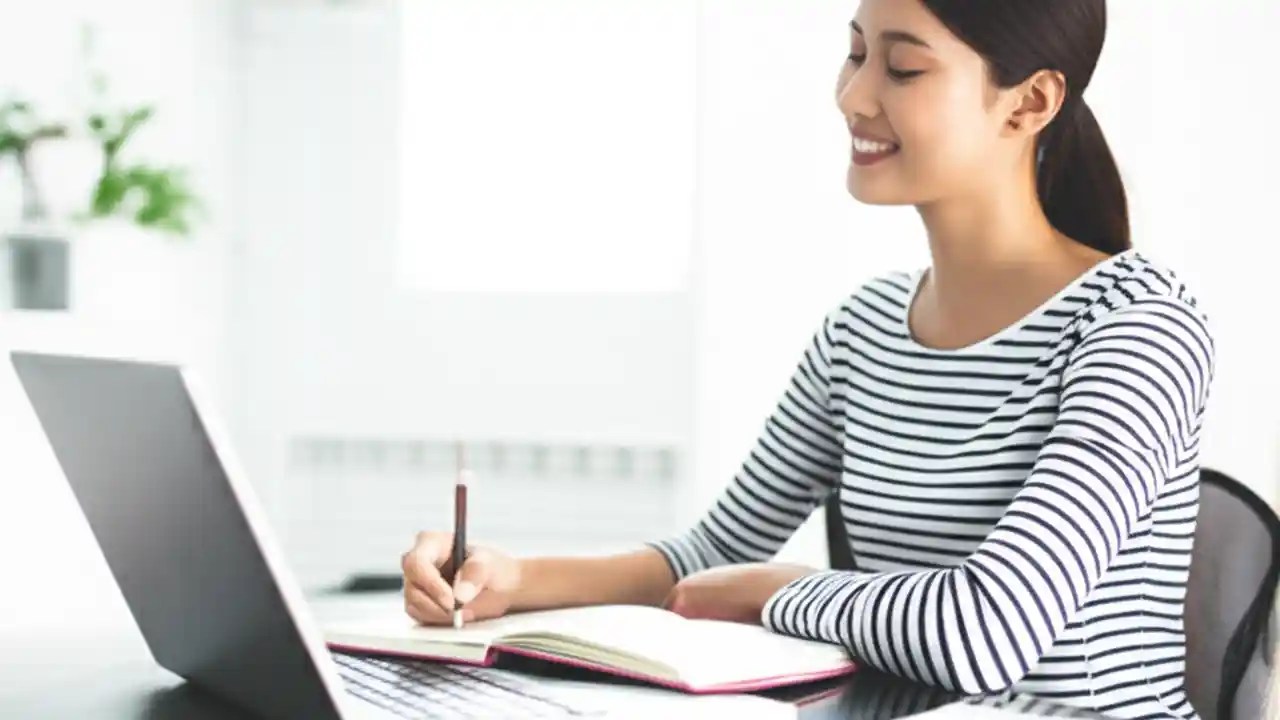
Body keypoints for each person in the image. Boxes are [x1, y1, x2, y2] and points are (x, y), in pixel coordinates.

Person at [400, 1, 1214, 718]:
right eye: (856, 52)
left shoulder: (1137, 326)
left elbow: (987, 632)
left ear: (1029, 102)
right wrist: (510, 577)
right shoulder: (861, 332)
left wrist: (774, 593)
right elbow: (704, 559)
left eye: (903, 67)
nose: (854, 95)